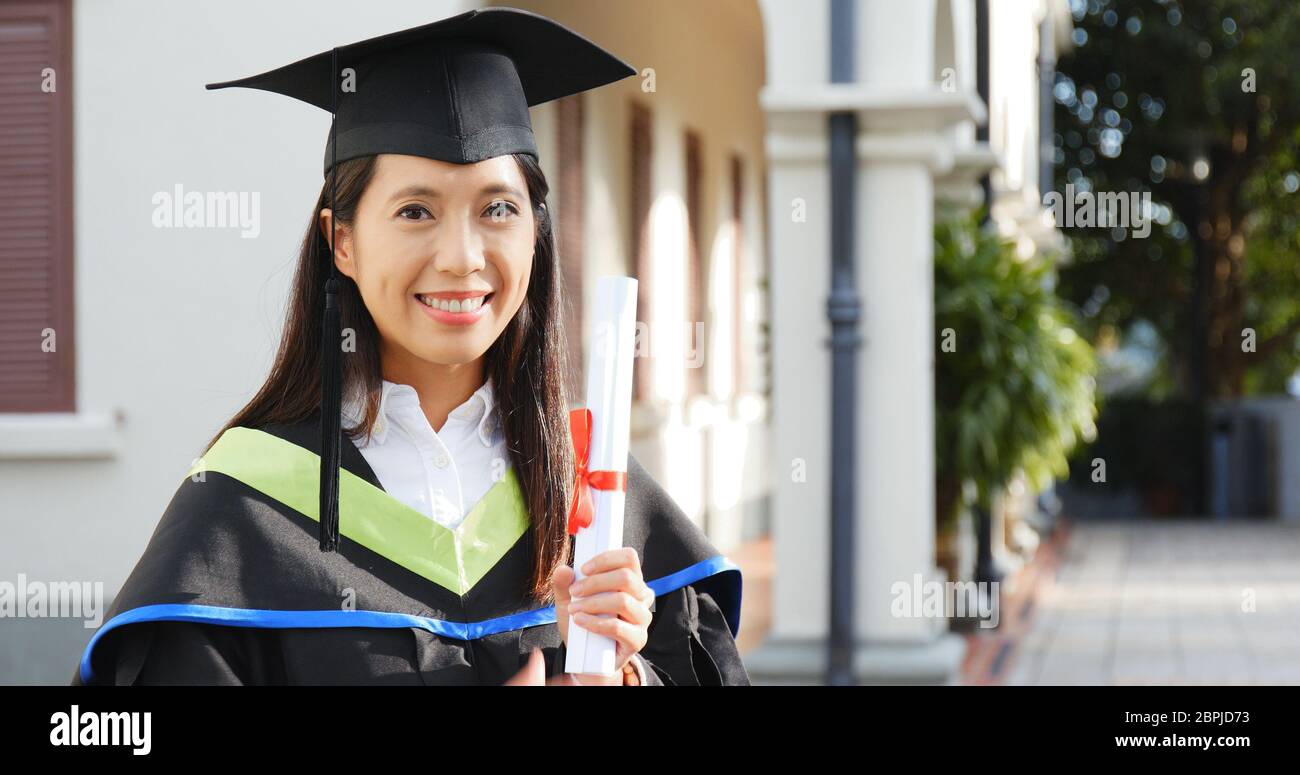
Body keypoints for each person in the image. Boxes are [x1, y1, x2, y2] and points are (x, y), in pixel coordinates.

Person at [73, 7, 747, 686]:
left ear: (535, 233)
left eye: (498, 208)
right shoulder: (241, 512)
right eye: (415, 211)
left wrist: (628, 676)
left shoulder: (597, 495)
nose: (460, 257)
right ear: (342, 240)